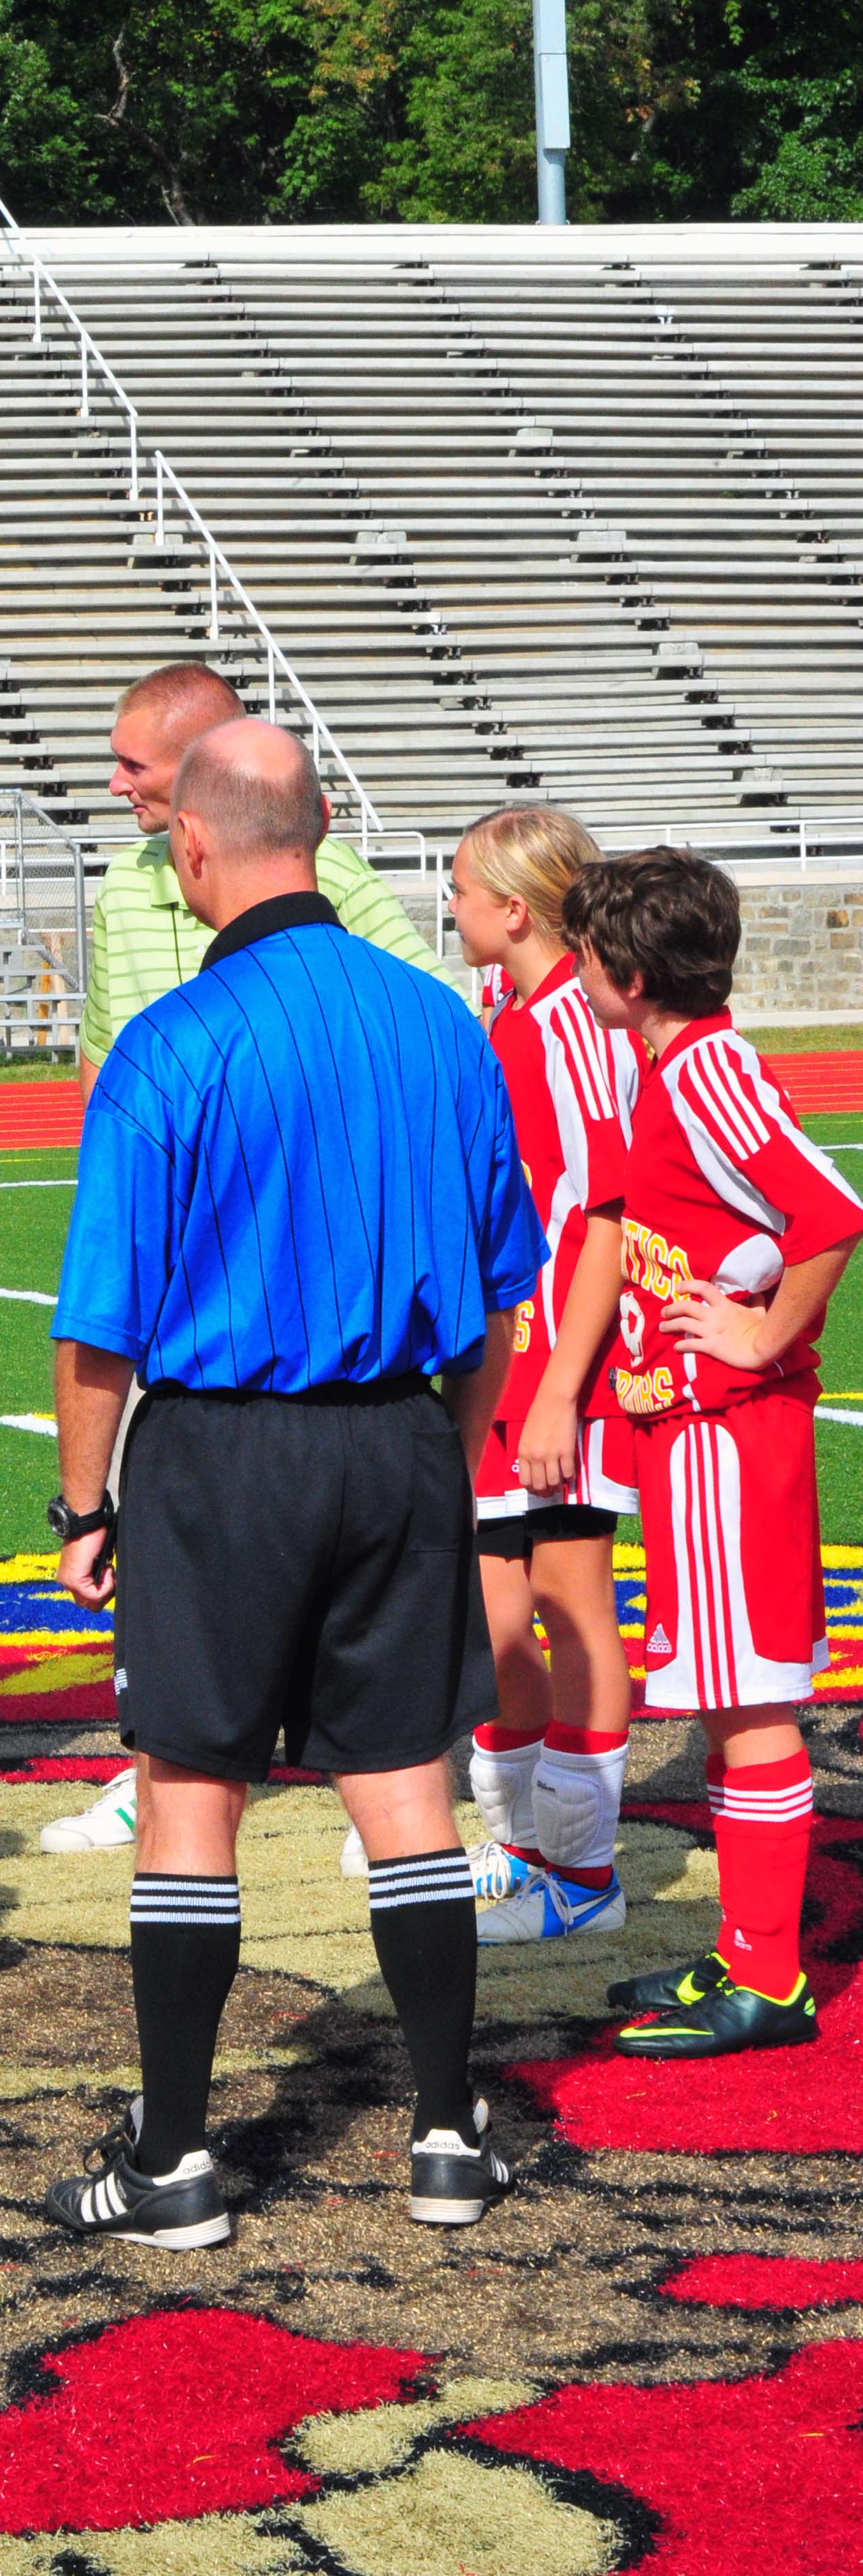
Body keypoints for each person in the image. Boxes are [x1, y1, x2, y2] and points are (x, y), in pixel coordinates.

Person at [42, 721, 543, 2247]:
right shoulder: (440, 1021)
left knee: (190, 1792)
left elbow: (100, 1326)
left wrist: (84, 1507)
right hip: (399, 1437)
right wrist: (444, 1451)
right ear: (320, 830)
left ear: (192, 847)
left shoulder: (171, 1042)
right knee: (406, 1790)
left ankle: (175, 2163)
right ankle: (446, 2136)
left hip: (221, 1451)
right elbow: (502, 1292)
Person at [41, 660, 459, 1862]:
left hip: (264, 1298)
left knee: (212, 1756)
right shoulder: (125, 887)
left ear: (200, 796)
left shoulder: (325, 887)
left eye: (132, 764)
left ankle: (239, 1768)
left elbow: (406, 1010)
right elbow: (102, 1047)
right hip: (222, 1277)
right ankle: (173, 1754)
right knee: (168, 1537)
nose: (112, 785)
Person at [565, 849, 863, 2057]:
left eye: (589, 954)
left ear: (631, 976)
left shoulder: (707, 1070)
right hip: (690, 1430)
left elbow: (829, 1211)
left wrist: (759, 1333)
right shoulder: (670, 1069)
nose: (578, 972)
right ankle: (747, 1953)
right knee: (727, 1696)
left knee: (747, 1702)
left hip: (727, 1433)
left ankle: (770, 1979)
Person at [446, 810, 641, 1949]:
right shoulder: (517, 1015)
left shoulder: (575, 1023)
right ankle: (522, 1848)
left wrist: (563, 1385)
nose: (450, 910)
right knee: (494, 1619)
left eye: (461, 892)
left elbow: (606, 1214)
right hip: (503, 1360)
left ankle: (584, 1873)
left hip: (563, 1367)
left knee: (574, 1606)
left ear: (514, 909)